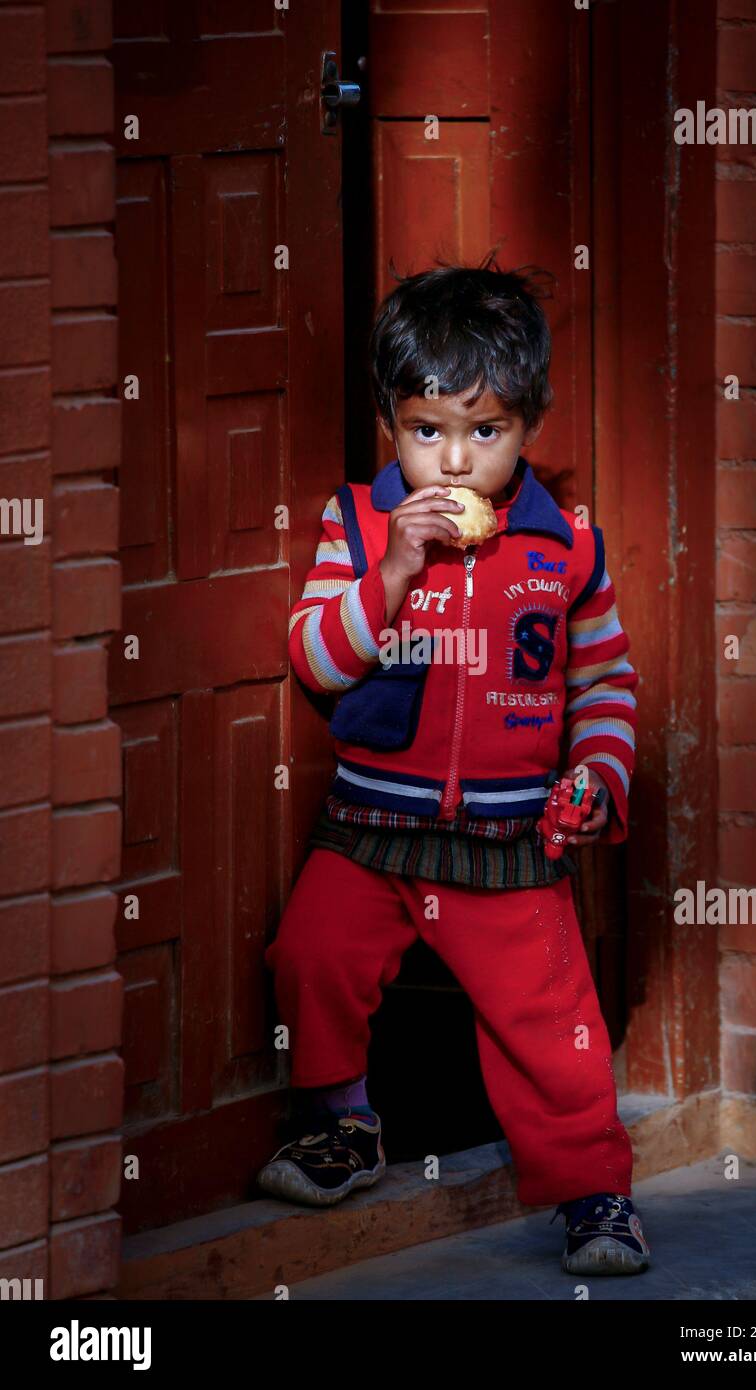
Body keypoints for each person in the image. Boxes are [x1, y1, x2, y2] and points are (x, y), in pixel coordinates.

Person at [258, 258, 650, 1276]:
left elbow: (603, 681)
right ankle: (340, 1123)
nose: (454, 462)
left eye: (487, 431)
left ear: (530, 424)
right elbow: (315, 656)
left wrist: (597, 778)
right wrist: (390, 570)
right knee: (311, 955)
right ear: (390, 421)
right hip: (375, 824)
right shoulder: (355, 527)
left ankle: (592, 1191)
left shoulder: (563, 546)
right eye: (427, 430)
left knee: (549, 1016)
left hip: (507, 831)